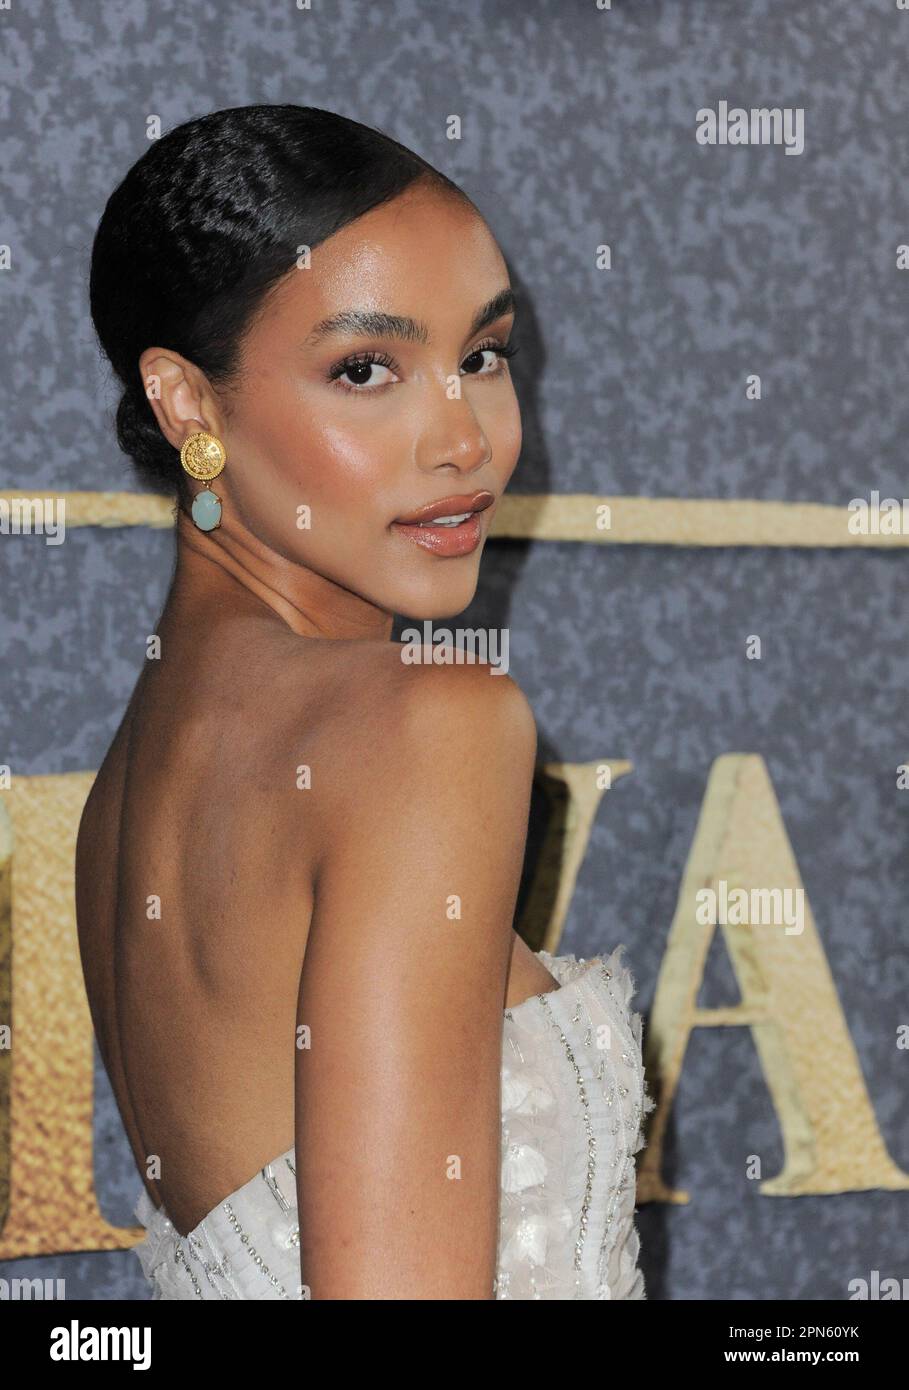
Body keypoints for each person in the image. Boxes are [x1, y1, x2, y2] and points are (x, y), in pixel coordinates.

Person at [75, 103, 653, 1300]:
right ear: (190, 406)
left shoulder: (129, 791)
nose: (467, 439)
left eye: (482, 355)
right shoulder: (425, 723)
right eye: (365, 369)